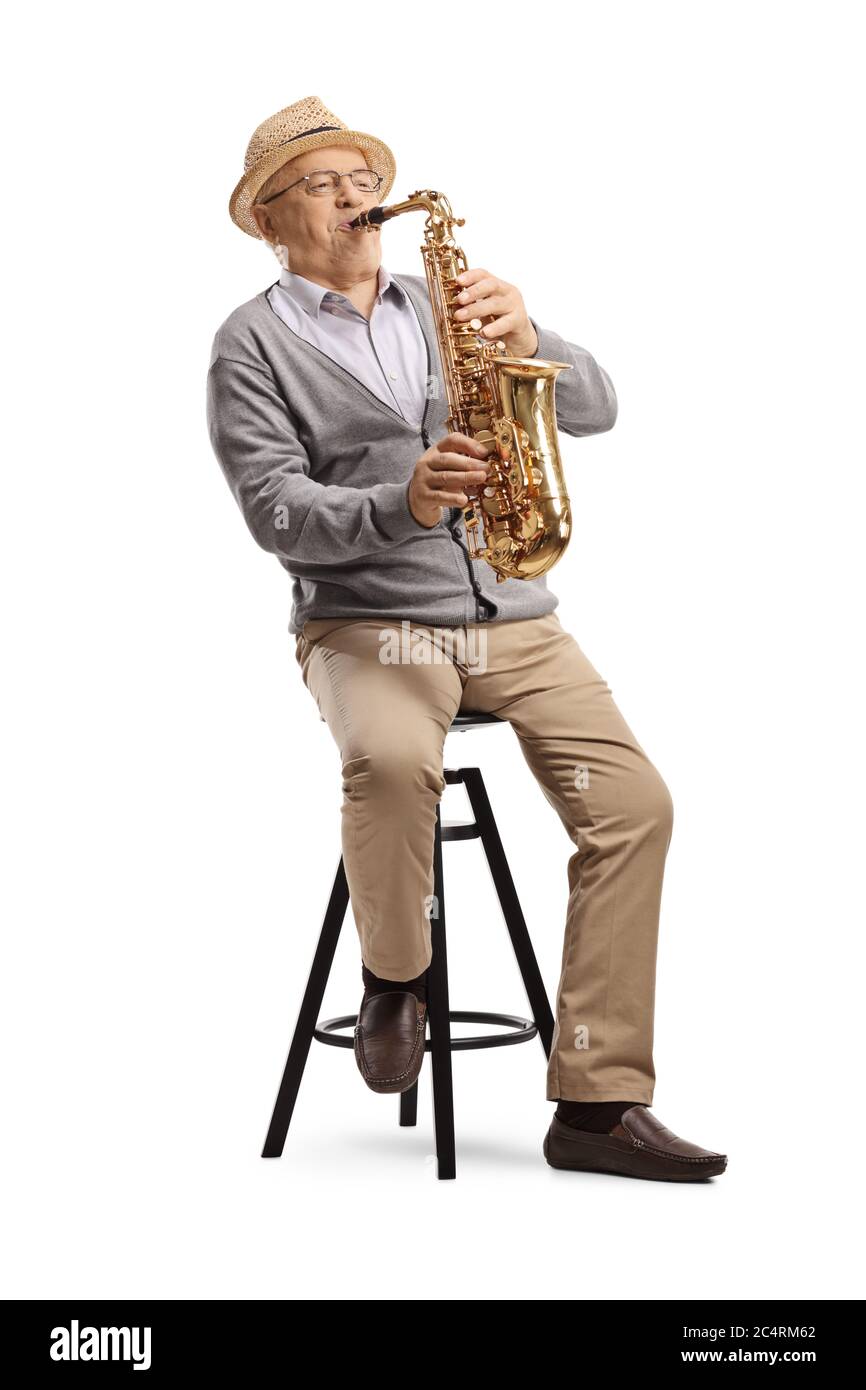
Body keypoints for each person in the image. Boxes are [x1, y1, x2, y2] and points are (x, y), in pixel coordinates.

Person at [206, 96, 727, 1180]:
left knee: (635, 806)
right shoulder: (247, 343)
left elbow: (594, 410)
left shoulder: (445, 299)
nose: (354, 197)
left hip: (513, 621)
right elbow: (273, 510)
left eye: (360, 177)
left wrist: (530, 337)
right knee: (393, 759)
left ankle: (593, 1100)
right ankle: (397, 974)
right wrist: (402, 501)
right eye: (321, 182)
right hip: (368, 626)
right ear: (267, 217)